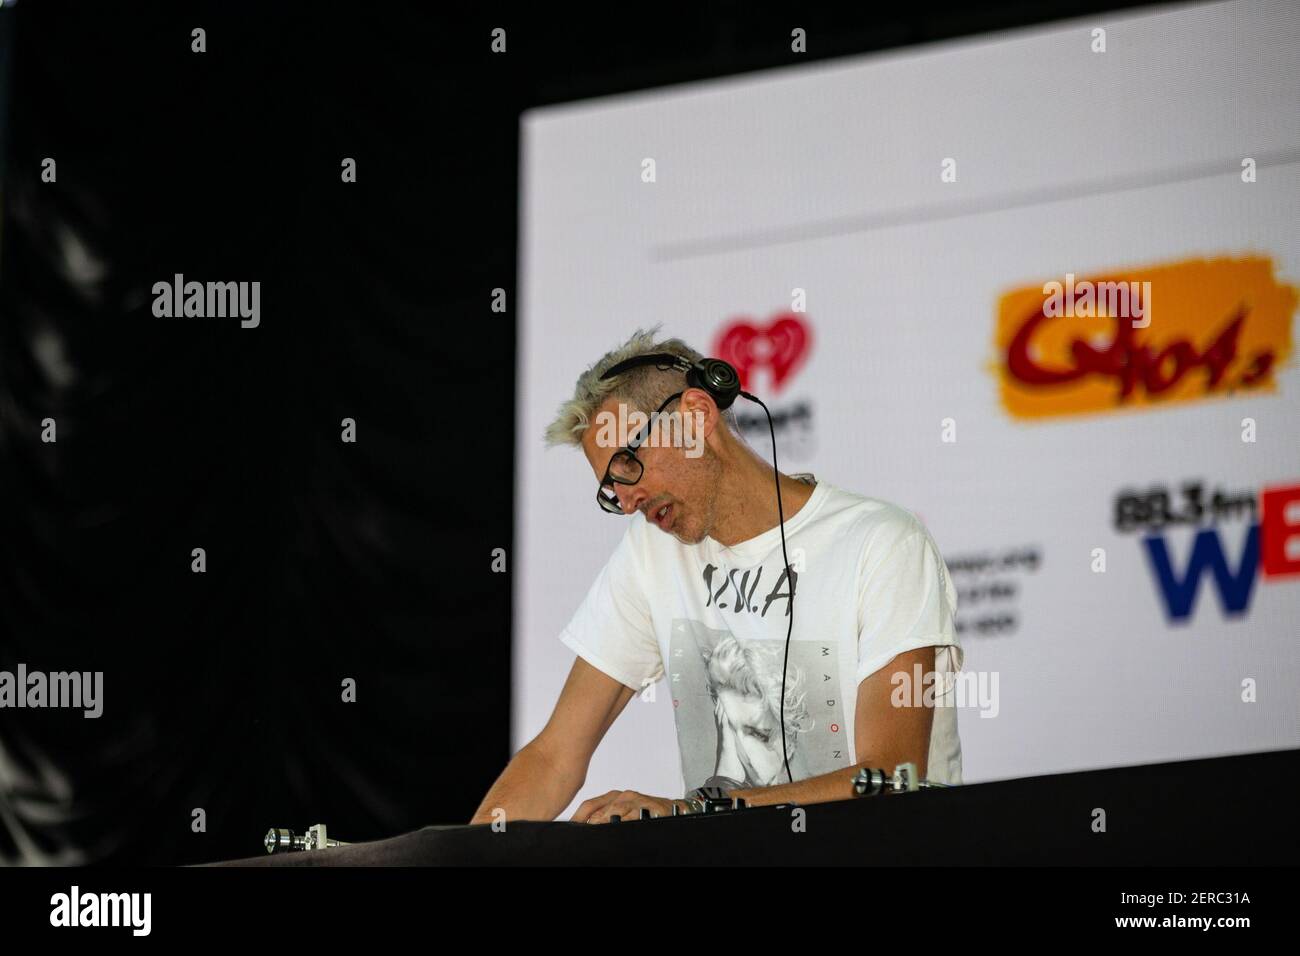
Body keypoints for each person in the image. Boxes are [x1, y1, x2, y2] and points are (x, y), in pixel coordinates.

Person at [470, 327, 962, 825]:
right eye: (610, 490)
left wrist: (694, 811)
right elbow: (555, 756)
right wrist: (467, 856)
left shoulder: (884, 542)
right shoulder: (649, 553)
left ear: (697, 416)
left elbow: (890, 778)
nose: (626, 500)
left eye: (628, 463)